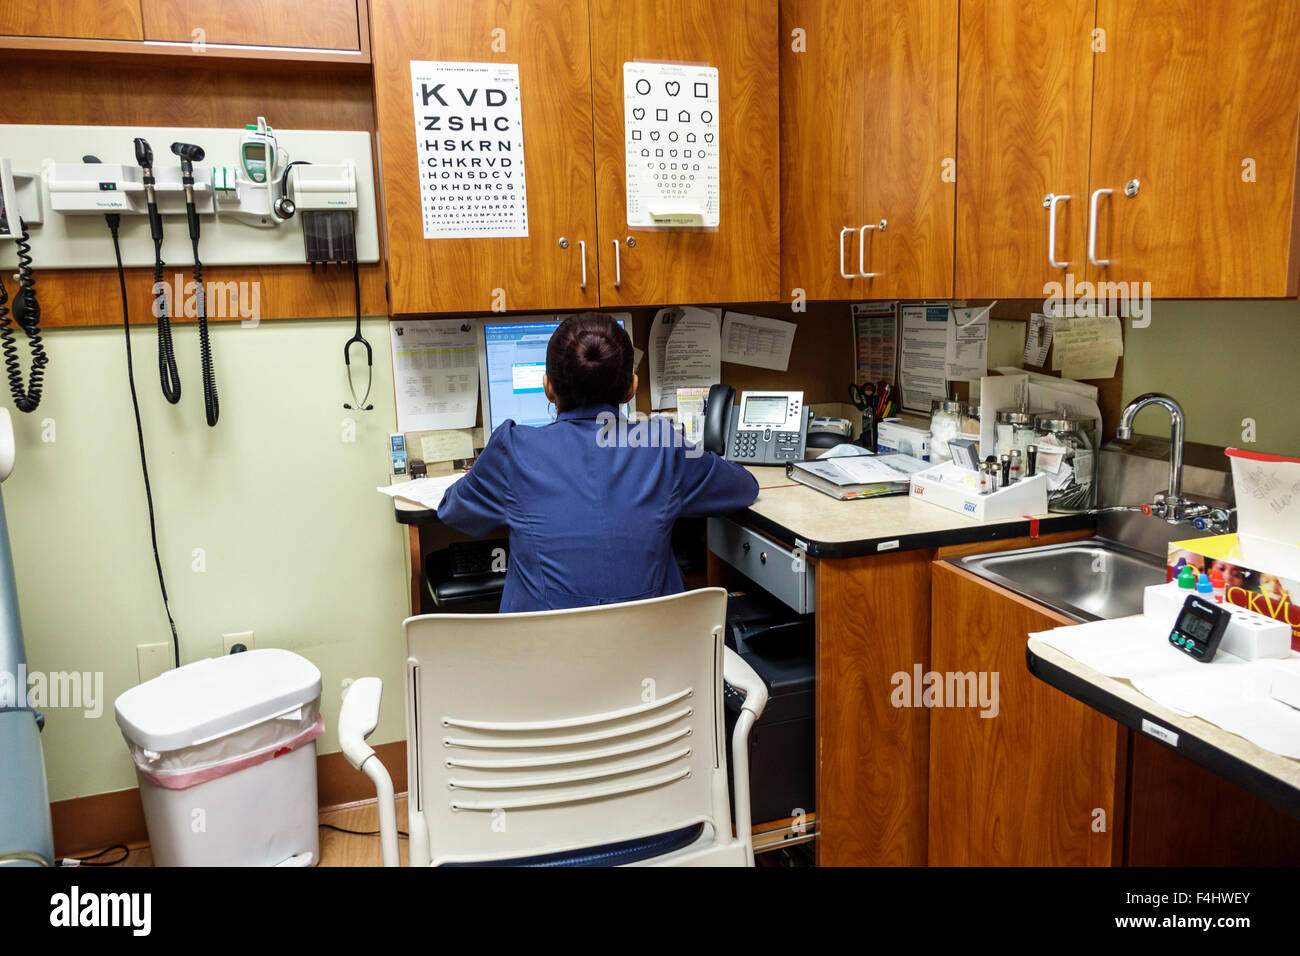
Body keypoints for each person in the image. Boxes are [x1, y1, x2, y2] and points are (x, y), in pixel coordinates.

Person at [437, 312, 759, 612]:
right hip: (651, 660)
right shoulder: (662, 445)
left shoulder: (512, 449)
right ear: (631, 389)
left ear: (547, 387)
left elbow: (455, 511)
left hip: (540, 662)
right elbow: (743, 488)